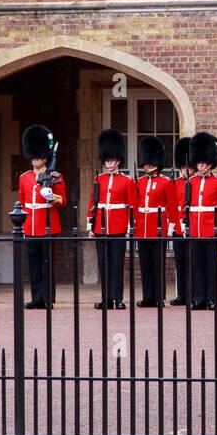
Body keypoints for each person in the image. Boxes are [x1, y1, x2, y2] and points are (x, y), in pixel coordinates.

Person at [18, 125, 66, 309]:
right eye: (33, 157)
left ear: (45, 157)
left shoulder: (55, 176)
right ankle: (37, 297)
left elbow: (63, 201)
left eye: (37, 157)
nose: (34, 161)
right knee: (33, 265)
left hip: (48, 225)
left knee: (47, 264)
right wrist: (22, 226)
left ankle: (48, 298)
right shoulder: (24, 178)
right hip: (30, 226)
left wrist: (50, 196)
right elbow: (22, 203)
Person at [87, 129, 136, 311]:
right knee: (104, 265)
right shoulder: (99, 179)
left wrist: (131, 226)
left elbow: (132, 205)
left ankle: (118, 298)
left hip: (118, 227)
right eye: (107, 161)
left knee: (117, 265)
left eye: (112, 161)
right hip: (101, 226)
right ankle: (106, 298)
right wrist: (91, 225)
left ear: (118, 161)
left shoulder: (127, 181)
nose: (109, 164)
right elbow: (93, 204)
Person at [134, 135, 179, 307]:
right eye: (145, 162)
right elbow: (136, 205)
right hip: (142, 228)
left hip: (158, 227)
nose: (147, 165)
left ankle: (159, 296)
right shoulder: (140, 182)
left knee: (158, 263)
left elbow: (172, 207)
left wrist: (171, 226)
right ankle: (148, 296)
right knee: (145, 264)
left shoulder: (165, 183)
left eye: (150, 162)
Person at [185, 132, 217, 310]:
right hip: (195, 228)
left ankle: (212, 298)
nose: (200, 165)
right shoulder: (191, 182)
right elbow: (185, 205)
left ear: (210, 163)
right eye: (199, 162)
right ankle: (199, 298)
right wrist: (183, 222)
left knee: (212, 266)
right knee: (197, 265)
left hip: (211, 228)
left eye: (203, 163)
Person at [169, 137, 192, 307]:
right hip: (178, 228)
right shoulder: (174, 183)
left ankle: (195, 293)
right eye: (183, 167)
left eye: (188, 167)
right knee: (180, 263)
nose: (186, 170)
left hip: (194, 228)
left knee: (194, 263)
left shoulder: (196, 183)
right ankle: (182, 294)